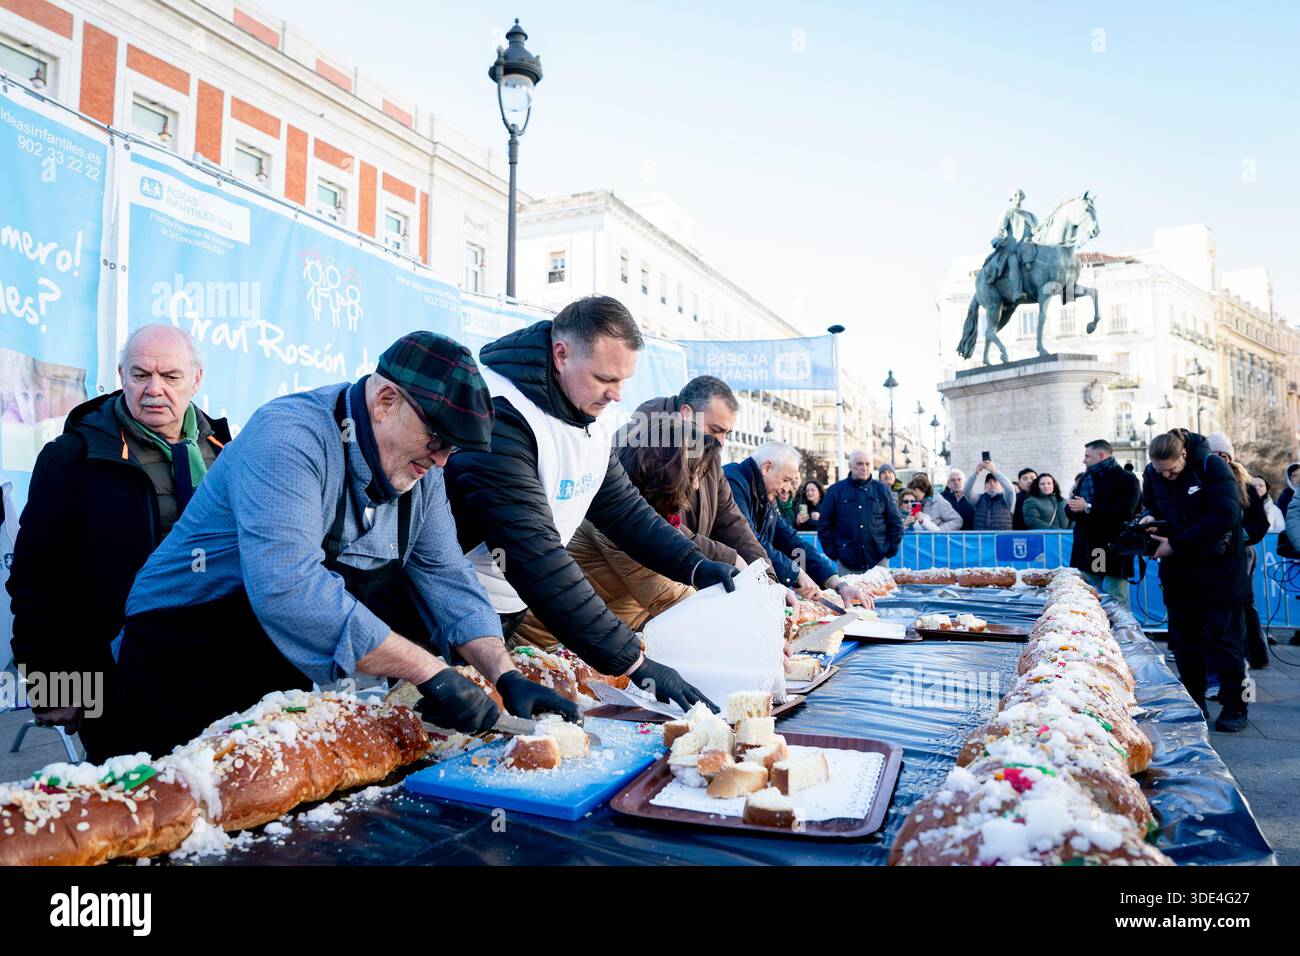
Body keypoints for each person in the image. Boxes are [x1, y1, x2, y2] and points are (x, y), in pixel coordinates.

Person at [114, 332, 583, 758]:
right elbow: (288, 587)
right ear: (385, 401)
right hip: (180, 660)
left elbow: (447, 575)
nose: (441, 461)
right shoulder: (288, 438)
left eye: (453, 449)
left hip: (272, 667)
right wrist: (429, 671)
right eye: (437, 438)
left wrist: (505, 673)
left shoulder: (421, 469)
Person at [445, 296, 738, 714]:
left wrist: (696, 566)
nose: (617, 395)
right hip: (441, 617)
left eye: (623, 380)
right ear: (561, 354)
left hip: (502, 614)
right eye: (605, 378)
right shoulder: (500, 416)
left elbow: (627, 513)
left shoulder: (586, 415)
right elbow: (536, 557)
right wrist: (634, 662)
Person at [6, 325, 230, 762]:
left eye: (170, 376)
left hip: (214, 674)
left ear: (197, 380)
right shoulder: (73, 456)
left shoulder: (223, 451)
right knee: (131, 808)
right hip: (118, 684)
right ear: (120, 375)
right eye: (140, 374)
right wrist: (55, 686)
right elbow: (34, 579)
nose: (154, 389)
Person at [515, 418, 717, 647]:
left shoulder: (653, 517)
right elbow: (673, 599)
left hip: (571, 640)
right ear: (671, 473)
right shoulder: (624, 526)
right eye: (696, 473)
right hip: (544, 646)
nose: (697, 485)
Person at [1140, 429, 1251, 732]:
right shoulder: (1153, 473)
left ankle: (1235, 705)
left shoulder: (1212, 467)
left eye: (1171, 469)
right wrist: (1148, 519)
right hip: (1179, 573)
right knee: (1185, 644)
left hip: (1221, 571)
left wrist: (1176, 543)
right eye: (1160, 471)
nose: (1167, 475)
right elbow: (1150, 505)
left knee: (1227, 644)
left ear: (1184, 455)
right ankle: (1194, 702)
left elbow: (1224, 516)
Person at [618, 375, 767, 569]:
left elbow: (730, 519)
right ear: (686, 414)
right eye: (715, 429)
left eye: (726, 433)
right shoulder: (643, 447)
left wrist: (764, 572)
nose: (722, 441)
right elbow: (660, 524)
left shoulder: (706, 450)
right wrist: (728, 559)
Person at [726, 441, 871, 605]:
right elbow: (748, 540)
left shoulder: (766, 496)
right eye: (786, 480)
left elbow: (790, 540)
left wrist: (836, 583)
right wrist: (795, 573)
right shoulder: (733, 481)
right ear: (766, 468)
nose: (787, 489)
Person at [1207, 432, 1270, 670]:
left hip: (1241, 552)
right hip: (1212, 552)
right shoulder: (1204, 481)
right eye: (1214, 455)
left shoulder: (1245, 484)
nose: (1220, 459)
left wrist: (1237, 536)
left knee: (1242, 602)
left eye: (1223, 455)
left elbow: (1259, 523)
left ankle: (1253, 653)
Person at [1066, 439, 1141, 609]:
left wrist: (1088, 508)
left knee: (1115, 597)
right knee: (1091, 596)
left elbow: (1125, 512)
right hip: (1090, 547)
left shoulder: (1126, 479)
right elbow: (1072, 508)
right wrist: (1075, 508)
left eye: (1087, 456)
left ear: (1101, 455)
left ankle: (1122, 634)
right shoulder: (1086, 478)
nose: (1084, 460)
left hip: (1112, 546)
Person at [816, 449, 903, 573]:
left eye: (867, 464)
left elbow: (896, 523)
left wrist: (889, 551)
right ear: (850, 466)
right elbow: (824, 525)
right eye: (859, 464)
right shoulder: (835, 491)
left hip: (879, 561)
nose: (864, 468)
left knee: (882, 593)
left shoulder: (882, 490)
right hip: (847, 563)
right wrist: (834, 554)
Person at [965, 459, 1015, 530]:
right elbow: (966, 490)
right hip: (982, 539)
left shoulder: (1007, 499)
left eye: (995, 481)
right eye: (988, 482)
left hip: (1002, 539)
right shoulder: (978, 499)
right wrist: (975, 473)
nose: (992, 483)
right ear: (984, 487)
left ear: (1002, 486)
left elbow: (1010, 490)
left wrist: (994, 471)